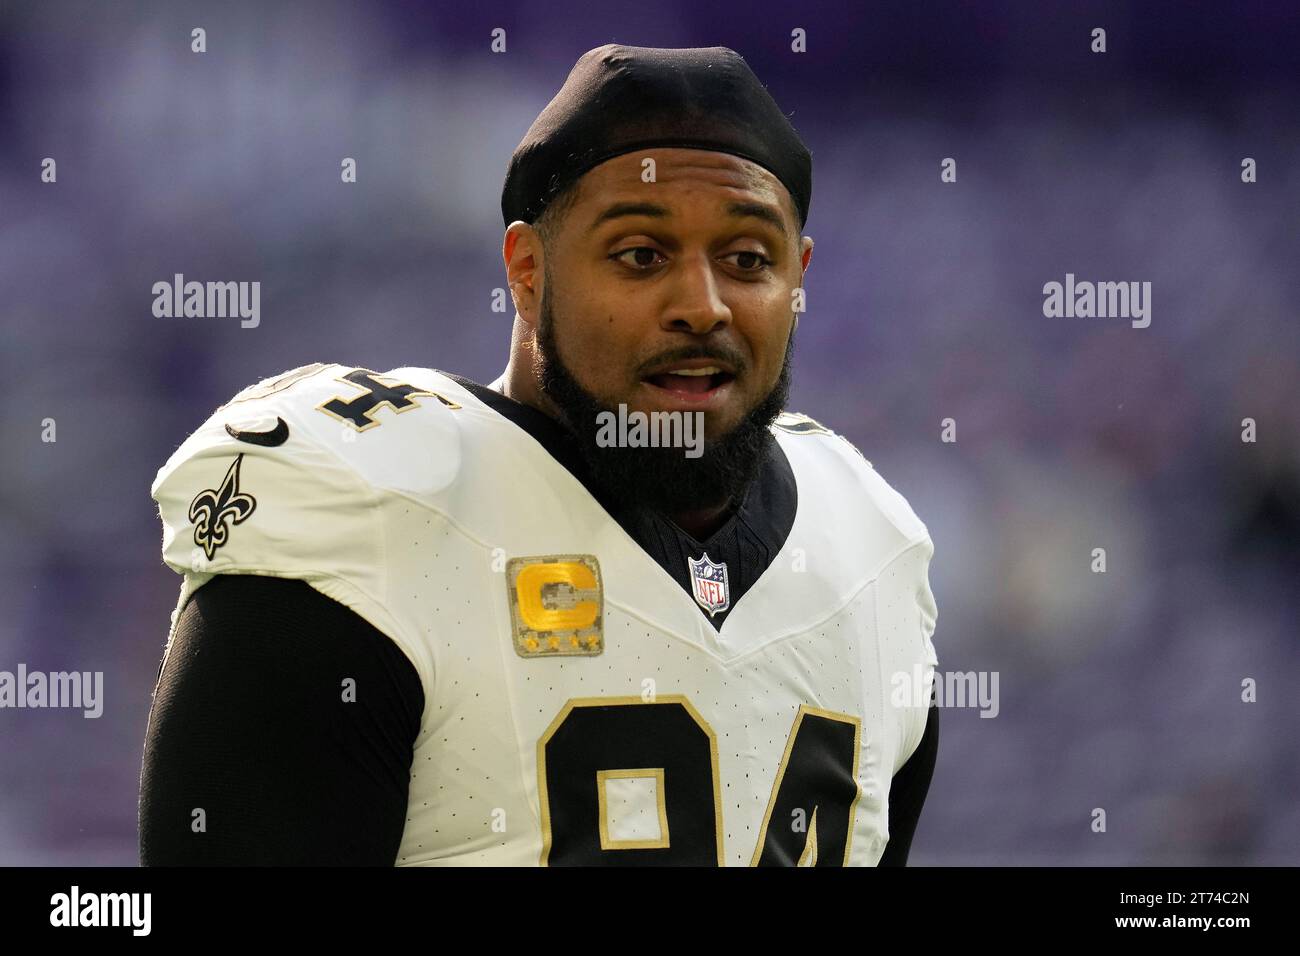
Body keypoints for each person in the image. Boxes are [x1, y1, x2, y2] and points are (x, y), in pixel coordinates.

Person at [139, 43, 939, 866]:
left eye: (746, 261)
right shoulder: (376, 512)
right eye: (641, 255)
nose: (702, 307)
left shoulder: (868, 545)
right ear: (528, 271)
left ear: (798, 278)